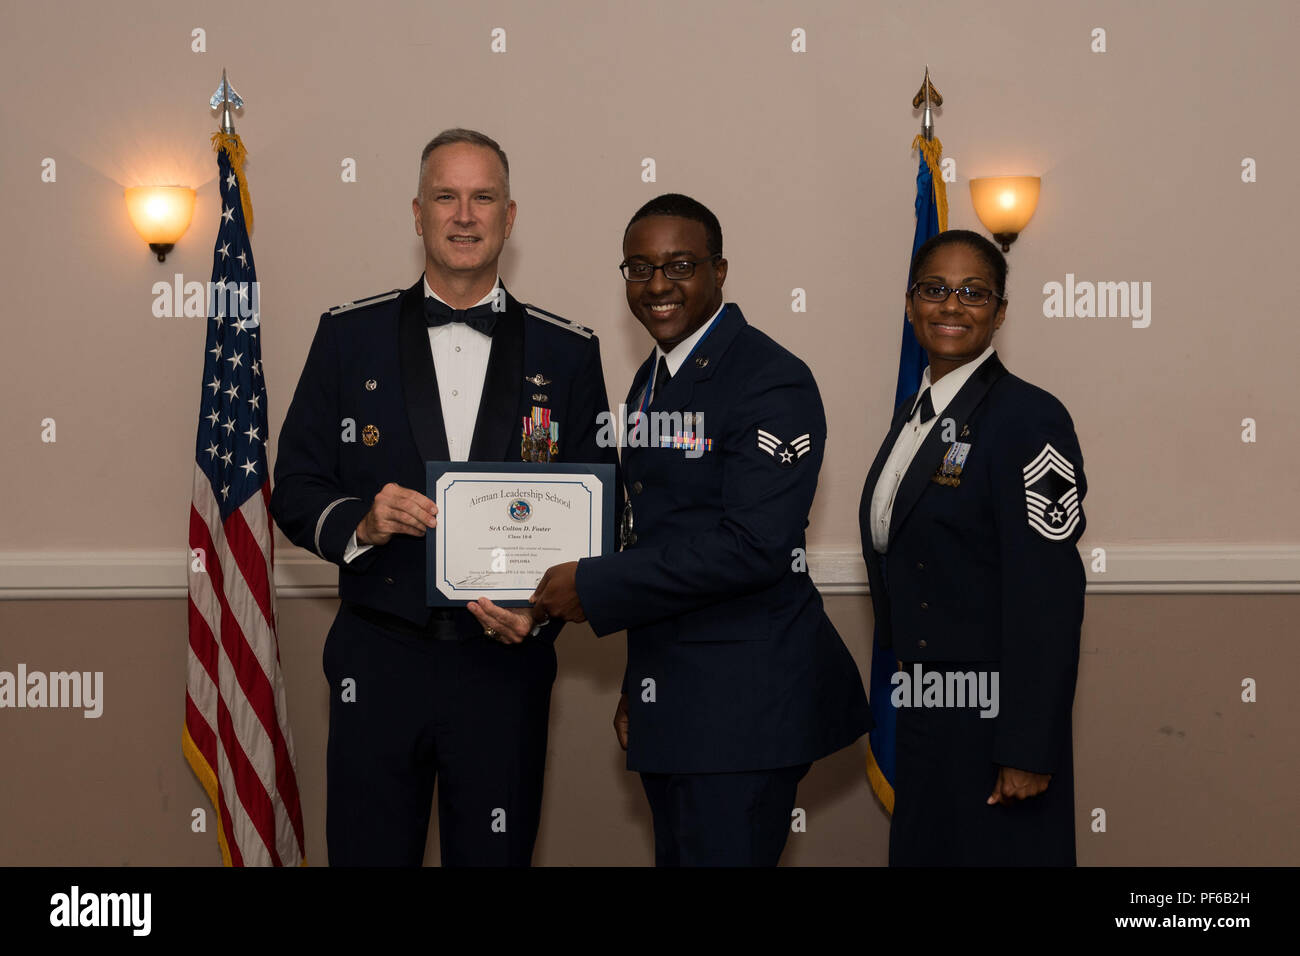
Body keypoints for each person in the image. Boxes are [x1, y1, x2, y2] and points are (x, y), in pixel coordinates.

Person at [270, 128, 618, 866]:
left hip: (504, 670)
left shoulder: (569, 351)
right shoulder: (346, 337)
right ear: (417, 214)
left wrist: (542, 610)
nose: (464, 215)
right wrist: (360, 523)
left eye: (483, 197)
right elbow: (296, 485)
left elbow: (600, 508)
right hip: (377, 657)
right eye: (446, 197)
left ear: (510, 216)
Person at [497, 193, 872, 866]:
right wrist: (643, 685)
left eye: (679, 265)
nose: (658, 285)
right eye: (639, 268)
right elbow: (658, 536)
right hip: (680, 700)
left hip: (743, 711)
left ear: (719, 271)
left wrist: (593, 583)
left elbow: (753, 548)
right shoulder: (654, 377)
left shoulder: (768, 379)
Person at [858, 229, 1087, 865]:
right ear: (910, 305)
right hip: (929, 714)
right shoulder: (915, 414)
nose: (951, 306)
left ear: (1001, 311)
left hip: (993, 729)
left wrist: (1027, 747)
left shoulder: (1027, 418)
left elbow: (1049, 597)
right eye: (934, 290)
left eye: (973, 293)